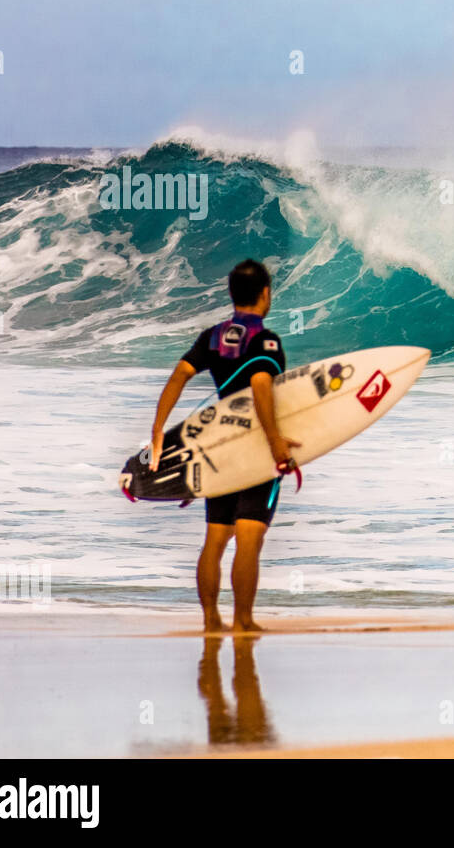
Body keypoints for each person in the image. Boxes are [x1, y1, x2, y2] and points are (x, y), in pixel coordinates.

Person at [147, 259, 299, 633]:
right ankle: (243, 620)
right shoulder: (265, 341)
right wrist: (275, 442)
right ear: (266, 294)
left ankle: (211, 620)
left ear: (232, 294)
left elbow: (180, 374)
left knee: (215, 537)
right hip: (254, 450)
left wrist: (158, 428)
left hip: (219, 445)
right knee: (249, 536)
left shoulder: (213, 337)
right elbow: (261, 386)